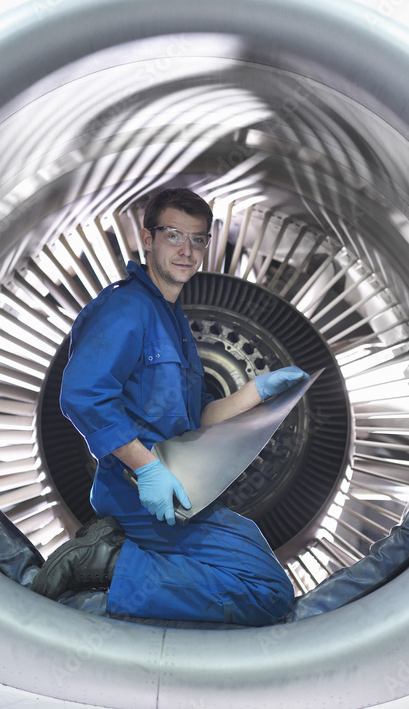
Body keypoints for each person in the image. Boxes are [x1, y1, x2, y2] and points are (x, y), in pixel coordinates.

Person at [31, 187, 307, 626]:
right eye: (174, 235)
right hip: (139, 494)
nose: (187, 250)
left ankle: (119, 555)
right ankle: (109, 564)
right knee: (269, 592)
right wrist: (147, 469)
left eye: (198, 240)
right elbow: (82, 394)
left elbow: (196, 417)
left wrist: (256, 393)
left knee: (254, 555)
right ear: (148, 238)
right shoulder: (125, 310)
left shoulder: (171, 318)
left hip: (175, 488)